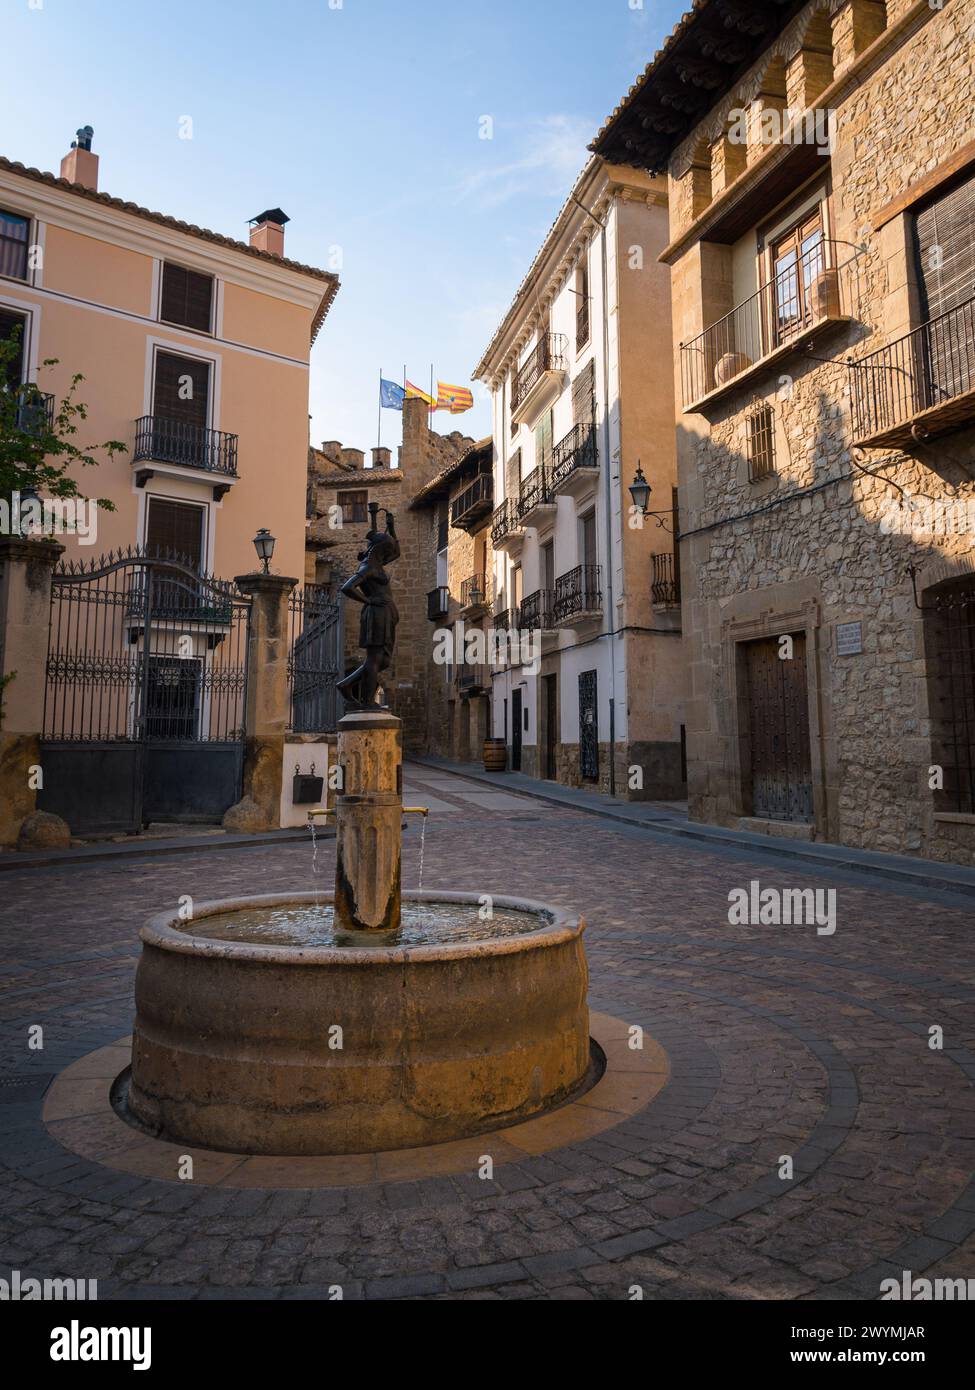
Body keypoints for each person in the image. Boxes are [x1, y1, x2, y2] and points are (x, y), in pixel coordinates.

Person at [336, 506, 400, 709]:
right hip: (376, 613)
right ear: (380, 549)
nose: (389, 553)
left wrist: (391, 528)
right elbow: (347, 587)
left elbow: (396, 552)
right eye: (387, 550)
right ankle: (367, 701)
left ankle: (346, 684)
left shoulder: (377, 563)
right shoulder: (368, 567)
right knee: (375, 659)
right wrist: (369, 601)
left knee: (384, 661)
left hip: (385, 613)